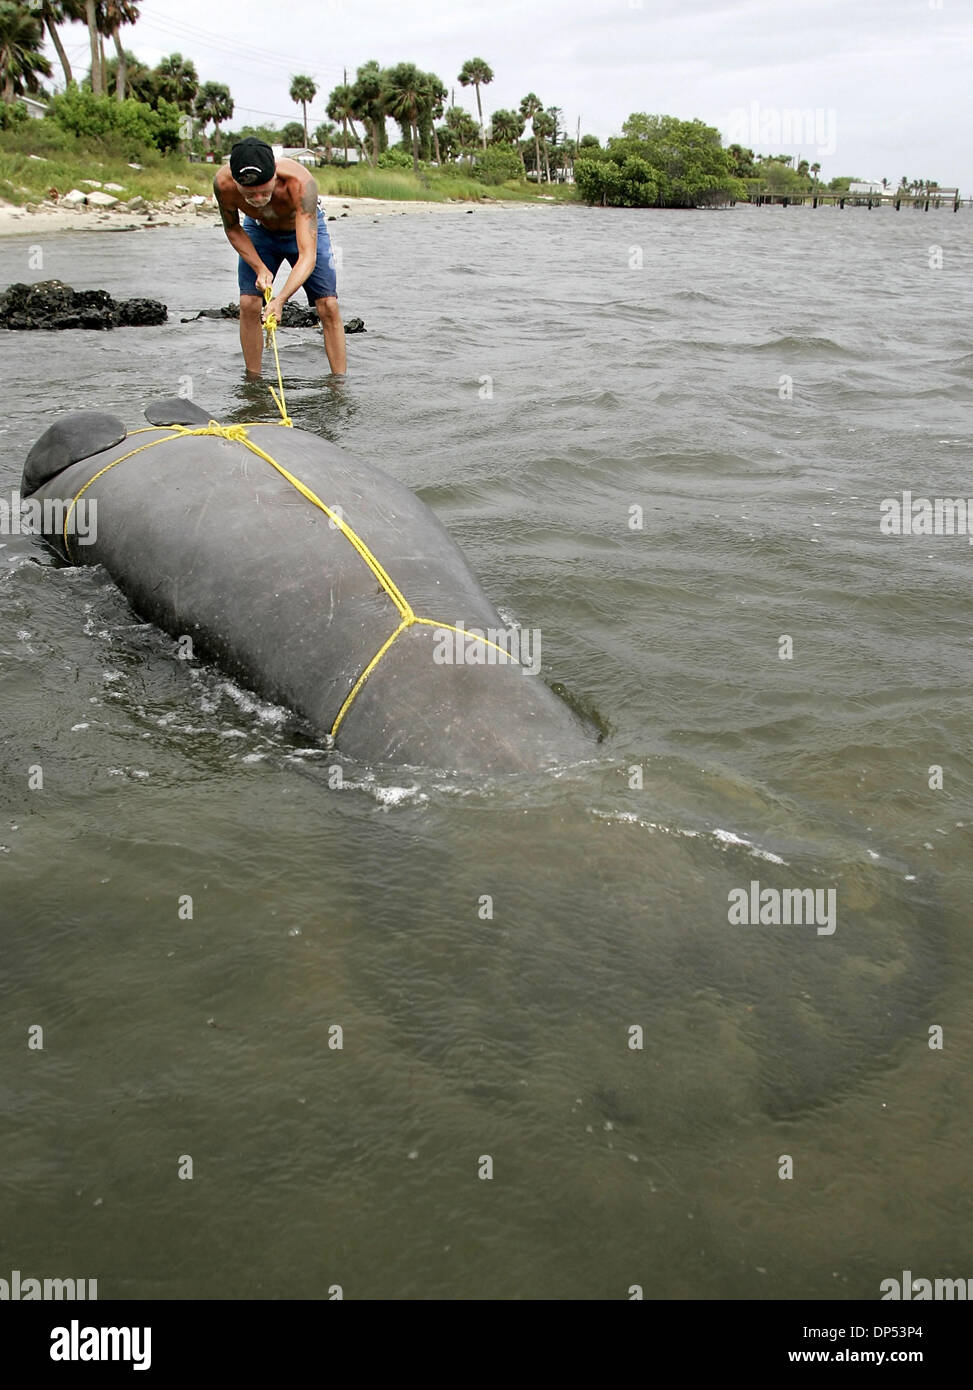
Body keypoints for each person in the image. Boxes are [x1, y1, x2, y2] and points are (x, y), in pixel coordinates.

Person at [213, 138, 346, 377]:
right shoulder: (223, 185)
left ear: (275, 174)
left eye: (264, 191)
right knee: (249, 303)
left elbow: (307, 256)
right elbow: (233, 228)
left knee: (328, 305)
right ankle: (253, 383)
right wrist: (260, 267)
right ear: (235, 182)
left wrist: (281, 299)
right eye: (249, 195)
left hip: (301, 231)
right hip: (259, 230)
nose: (258, 199)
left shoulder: (301, 184)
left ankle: (339, 385)